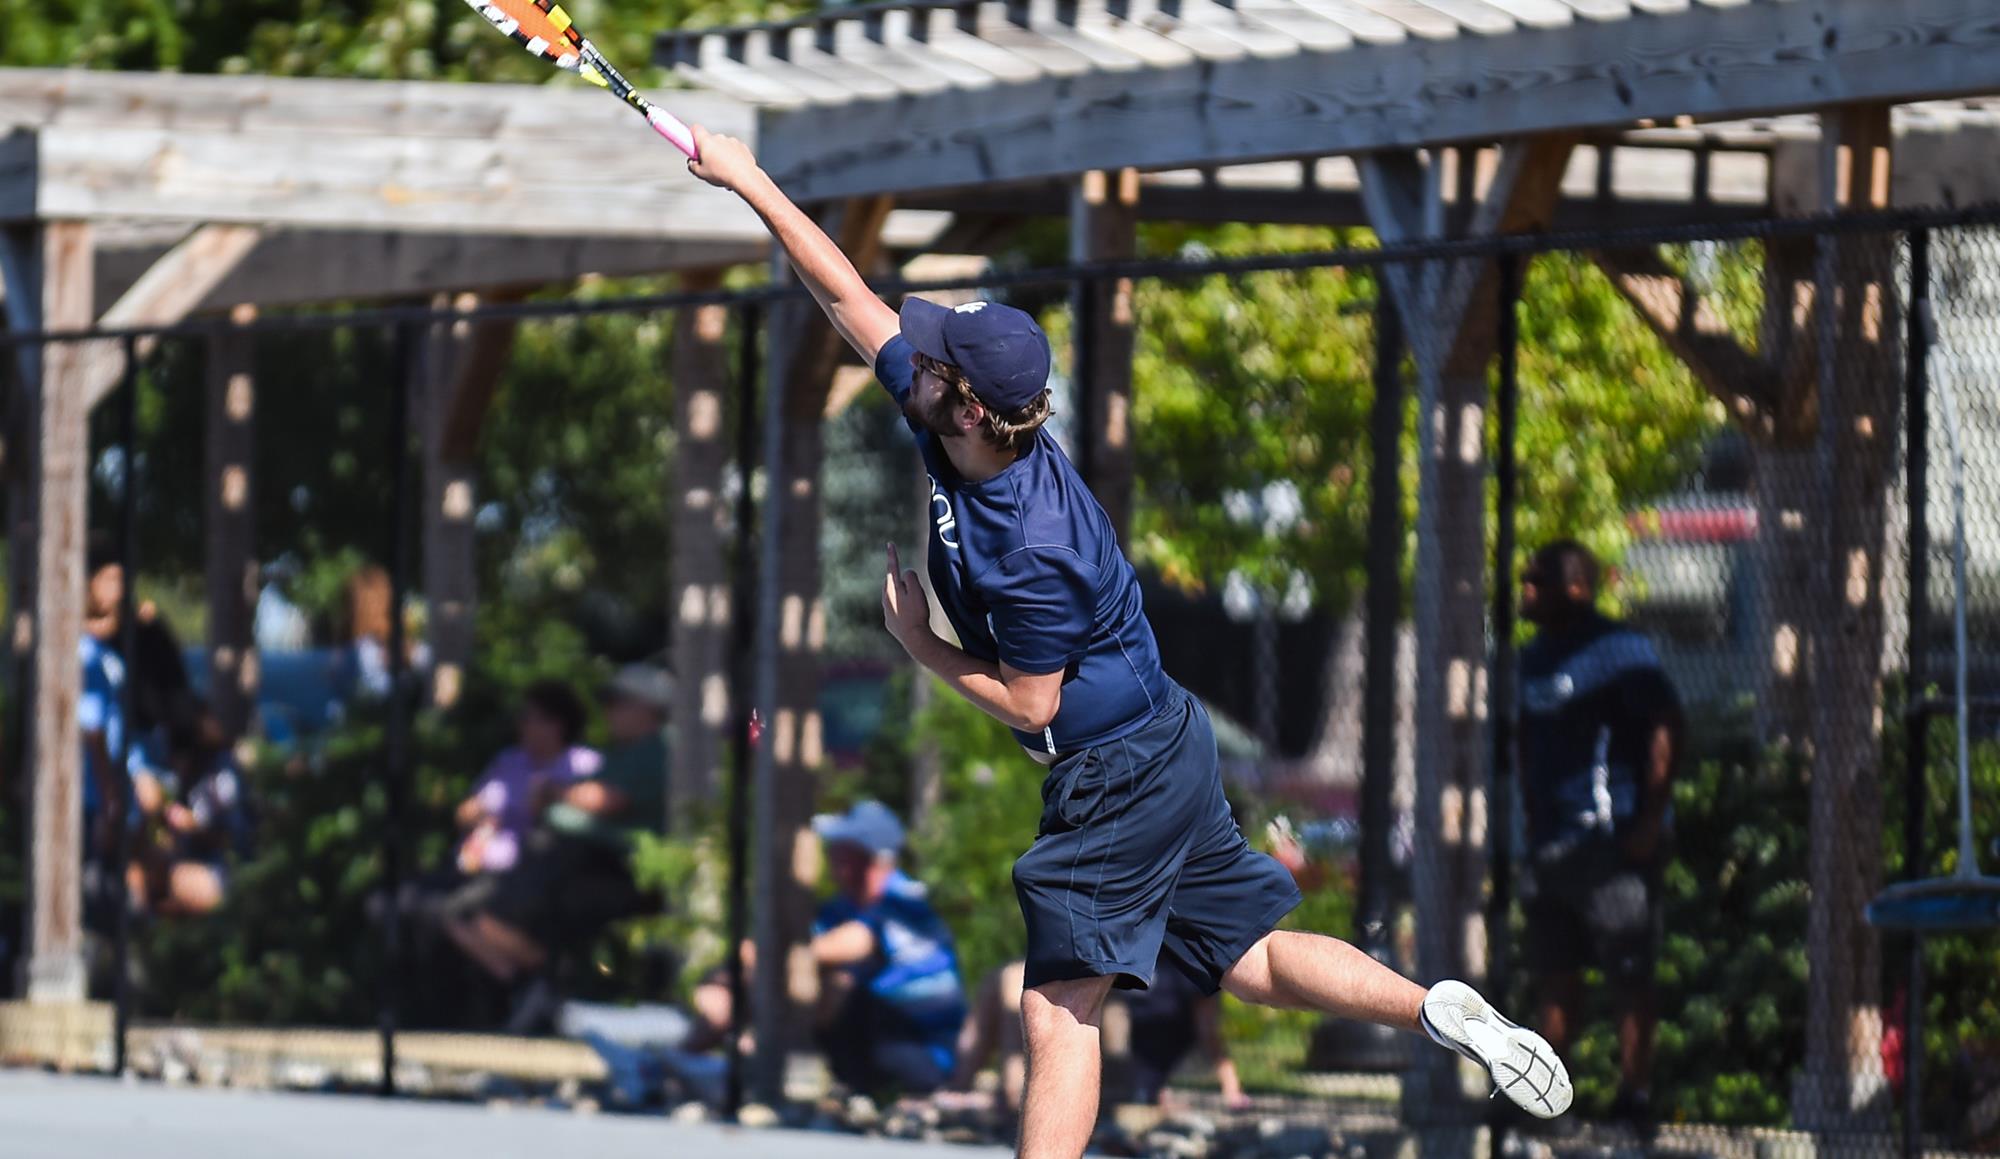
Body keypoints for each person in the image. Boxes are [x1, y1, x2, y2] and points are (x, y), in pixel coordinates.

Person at [688, 129, 1572, 1156]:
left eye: (929, 360)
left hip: (1113, 770)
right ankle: (1434, 1010)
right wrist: (749, 178)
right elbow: (848, 298)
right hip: (1165, 740)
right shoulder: (958, 418)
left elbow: (1032, 704)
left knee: (1057, 1008)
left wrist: (918, 642)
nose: (909, 357)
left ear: (971, 406)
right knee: (1245, 960)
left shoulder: (1030, 544)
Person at [1518, 540, 1682, 1128]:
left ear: (1576, 587)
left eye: (1537, 581)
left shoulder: (1620, 651)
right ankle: (1549, 1103)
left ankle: (1634, 1100)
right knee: (1555, 975)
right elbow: (1524, 742)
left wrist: (1646, 824)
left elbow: (1667, 727)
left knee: (1629, 975)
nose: (1526, 592)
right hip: (1552, 848)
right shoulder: (1531, 657)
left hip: (1610, 845)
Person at [444, 667, 672, 1030]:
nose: (609, 712)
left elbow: (606, 799)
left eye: (617, 703)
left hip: (617, 871)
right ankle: (534, 977)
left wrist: (552, 792)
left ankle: (539, 979)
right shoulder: (619, 754)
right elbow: (470, 811)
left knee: (494, 902)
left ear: (647, 708)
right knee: (455, 909)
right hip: (559, 863)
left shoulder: (658, 748)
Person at [808, 801, 967, 1099]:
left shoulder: (904, 900)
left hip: (925, 1051)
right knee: (828, 983)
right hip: (882, 1035)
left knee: (839, 984)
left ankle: (865, 1089)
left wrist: (768, 953)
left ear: (869, 858)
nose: (830, 858)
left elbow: (847, 944)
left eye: (840, 849)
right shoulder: (842, 906)